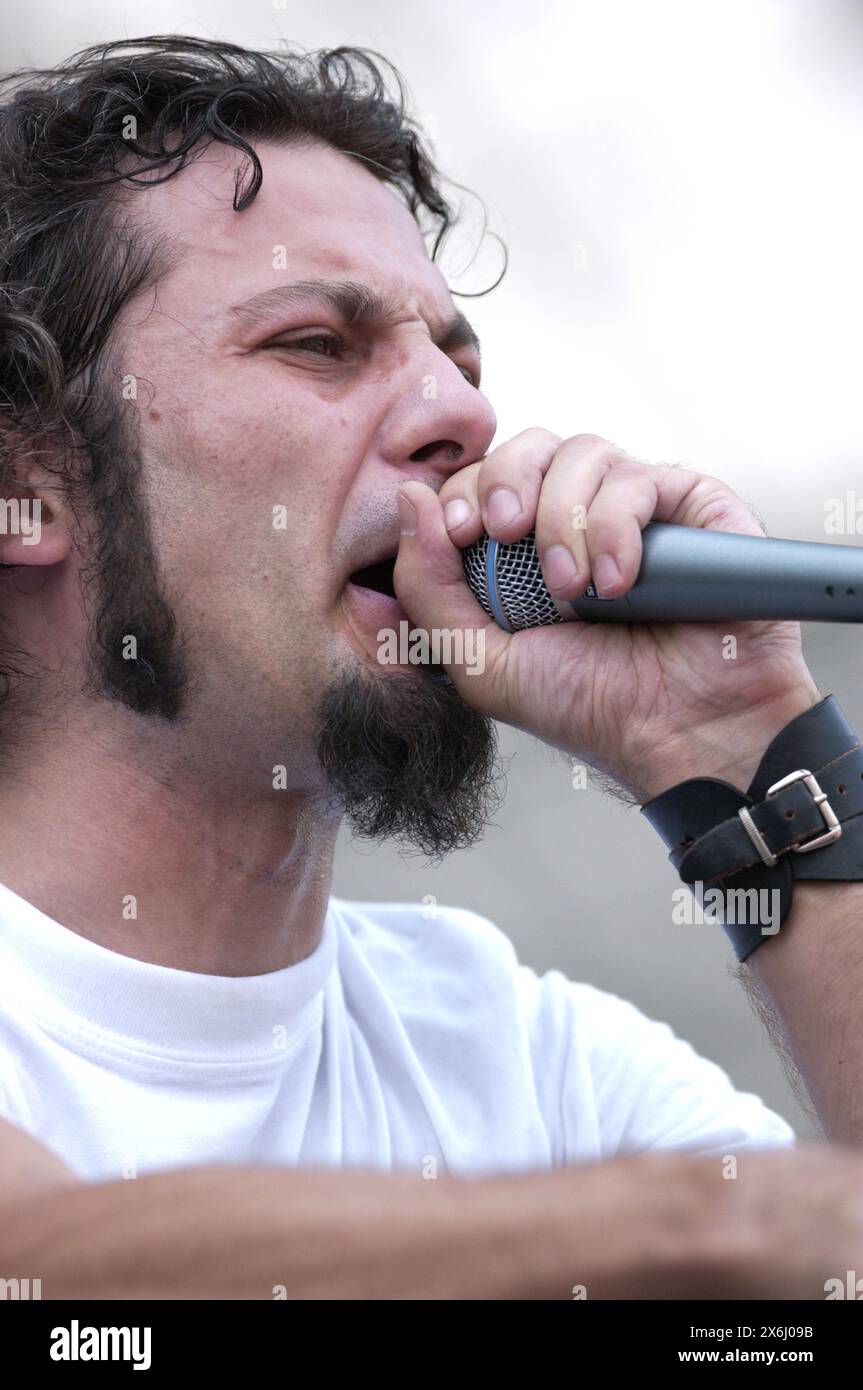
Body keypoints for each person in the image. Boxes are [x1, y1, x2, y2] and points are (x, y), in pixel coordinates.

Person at [0, 35, 861, 1301]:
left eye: (457, 364)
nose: (460, 417)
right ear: (25, 479)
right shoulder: (637, 1198)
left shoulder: (537, 1066)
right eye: (313, 344)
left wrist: (736, 753)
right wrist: (683, 1230)